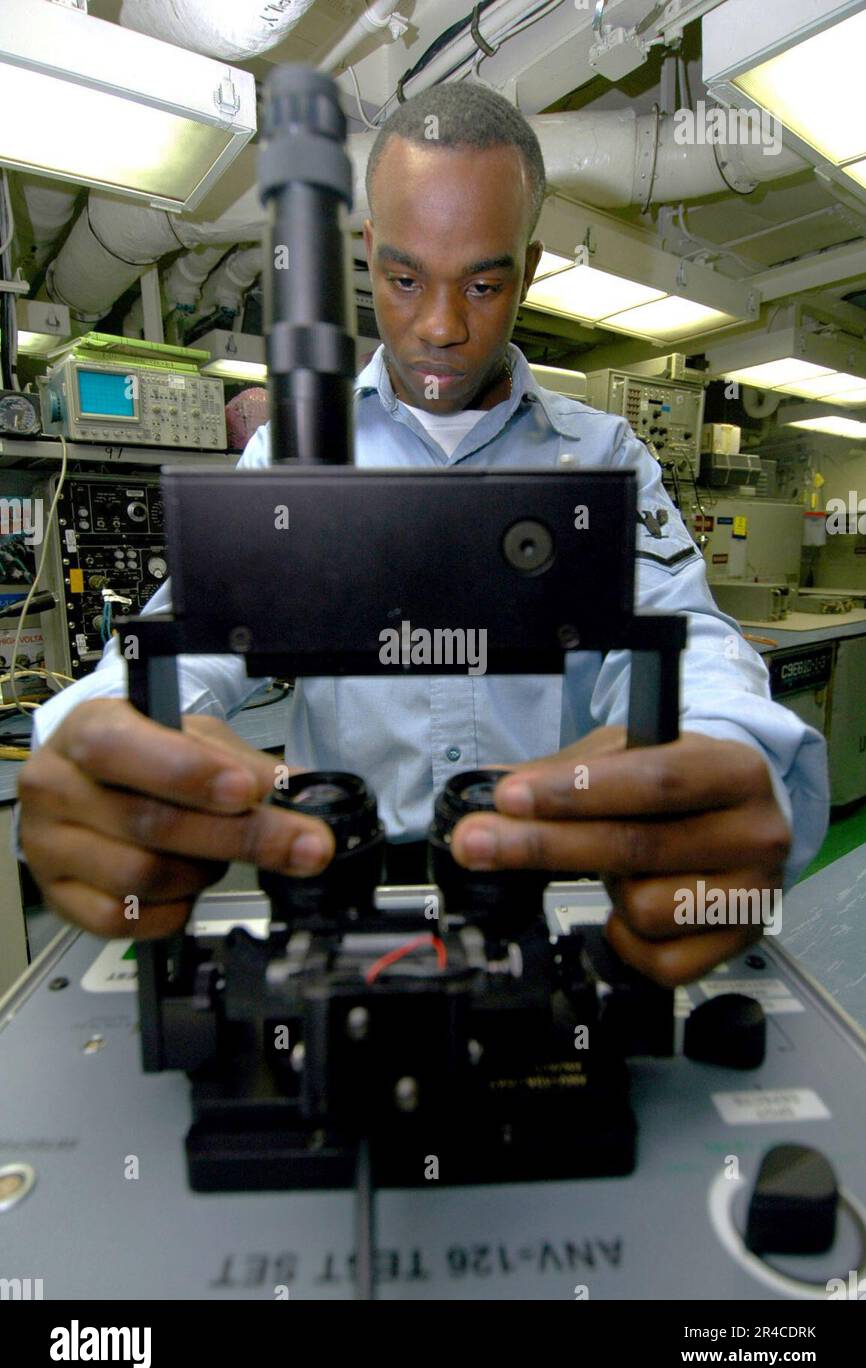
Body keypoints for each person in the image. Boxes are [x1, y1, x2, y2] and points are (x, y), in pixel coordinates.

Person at [18, 84, 828, 986]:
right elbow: (190, 643)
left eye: (483, 284)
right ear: (367, 251)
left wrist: (722, 746)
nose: (442, 327)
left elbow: (688, 641)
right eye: (405, 280)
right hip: (343, 895)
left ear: (527, 267)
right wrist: (100, 732)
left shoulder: (599, 456)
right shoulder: (294, 456)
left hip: (541, 899)